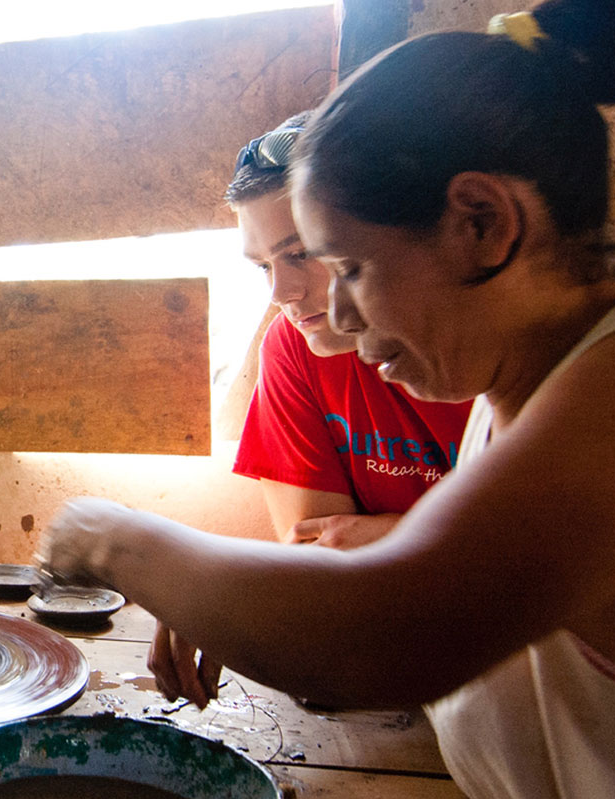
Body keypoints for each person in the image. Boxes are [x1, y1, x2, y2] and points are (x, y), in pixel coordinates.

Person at [41, 0, 615, 799]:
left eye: (352, 268)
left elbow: (377, 640)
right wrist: (249, 604)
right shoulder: (515, 396)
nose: (326, 310)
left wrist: (110, 536)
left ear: (483, 222)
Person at [151, 115, 474, 707]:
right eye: (263, 266)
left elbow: (539, 564)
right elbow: (323, 572)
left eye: (301, 253)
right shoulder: (294, 349)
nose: (281, 292)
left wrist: (394, 542)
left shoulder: (498, 357)